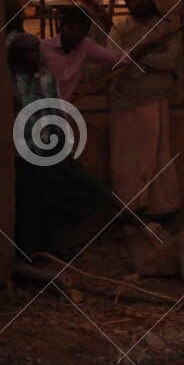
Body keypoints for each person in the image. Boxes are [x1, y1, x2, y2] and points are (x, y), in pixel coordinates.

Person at [8, 32, 116, 258]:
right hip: (22, 153)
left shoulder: (46, 77)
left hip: (49, 146)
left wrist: (65, 145)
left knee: (82, 190)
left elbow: (56, 110)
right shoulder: (9, 82)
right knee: (30, 203)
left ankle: (56, 243)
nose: (32, 56)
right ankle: (30, 251)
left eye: (34, 51)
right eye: (26, 52)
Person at [108, 0, 183, 216]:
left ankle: (161, 205)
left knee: (157, 154)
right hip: (126, 102)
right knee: (129, 156)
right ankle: (131, 205)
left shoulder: (165, 28)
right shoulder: (121, 29)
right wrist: (135, 60)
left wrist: (139, 59)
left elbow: (170, 61)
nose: (138, 3)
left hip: (156, 99)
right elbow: (114, 59)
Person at [41, 7, 121, 103]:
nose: (75, 34)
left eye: (80, 30)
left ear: (86, 32)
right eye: (70, 28)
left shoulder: (85, 45)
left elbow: (114, 57)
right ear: (61, 27)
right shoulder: (43, 48)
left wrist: (134, 52)